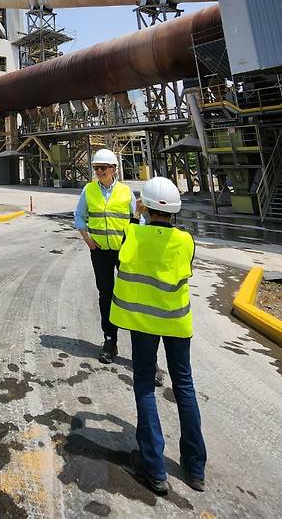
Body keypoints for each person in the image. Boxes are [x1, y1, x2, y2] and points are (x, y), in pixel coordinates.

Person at [110, 177, 206, 496]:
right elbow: (187, 269)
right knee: (184, 386)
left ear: (144, 206)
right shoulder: (186, 240)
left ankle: (154, 466)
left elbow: (125, 255)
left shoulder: (133, 234)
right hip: (177, 323)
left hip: (143, 323)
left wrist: (137, 215)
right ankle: (195, 468)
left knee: (144, 383)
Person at [74, 149, 137, 363]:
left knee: (131, 296)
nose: (99, 172)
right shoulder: (89, 190)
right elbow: (79, 215)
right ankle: (110, 340)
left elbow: (138, 220)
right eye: (96, 168)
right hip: (99, 252)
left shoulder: (126, 192)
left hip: (124, 252)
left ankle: (142, 346)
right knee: (105, 295)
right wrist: (88, 240)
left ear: (113, 169)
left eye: (103, 168)